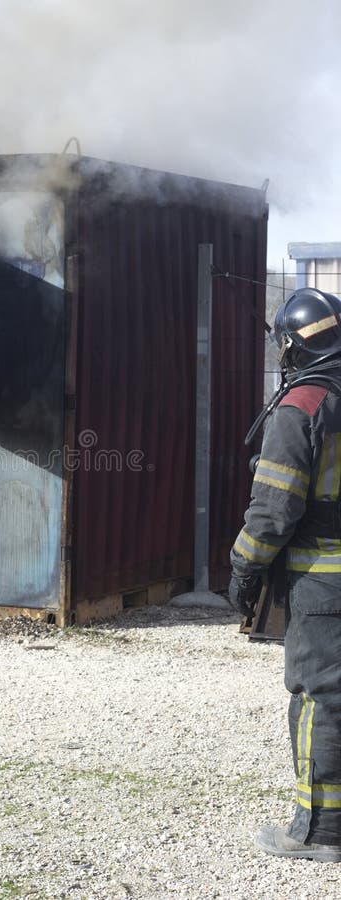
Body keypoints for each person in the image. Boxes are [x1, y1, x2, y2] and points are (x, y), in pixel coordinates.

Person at [229, 286, 341, 862]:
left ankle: (320, 831)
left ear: (293, 346)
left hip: (324, 581)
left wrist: (244, 567)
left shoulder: (302, 406)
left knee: (320, 696)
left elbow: (274, 508)